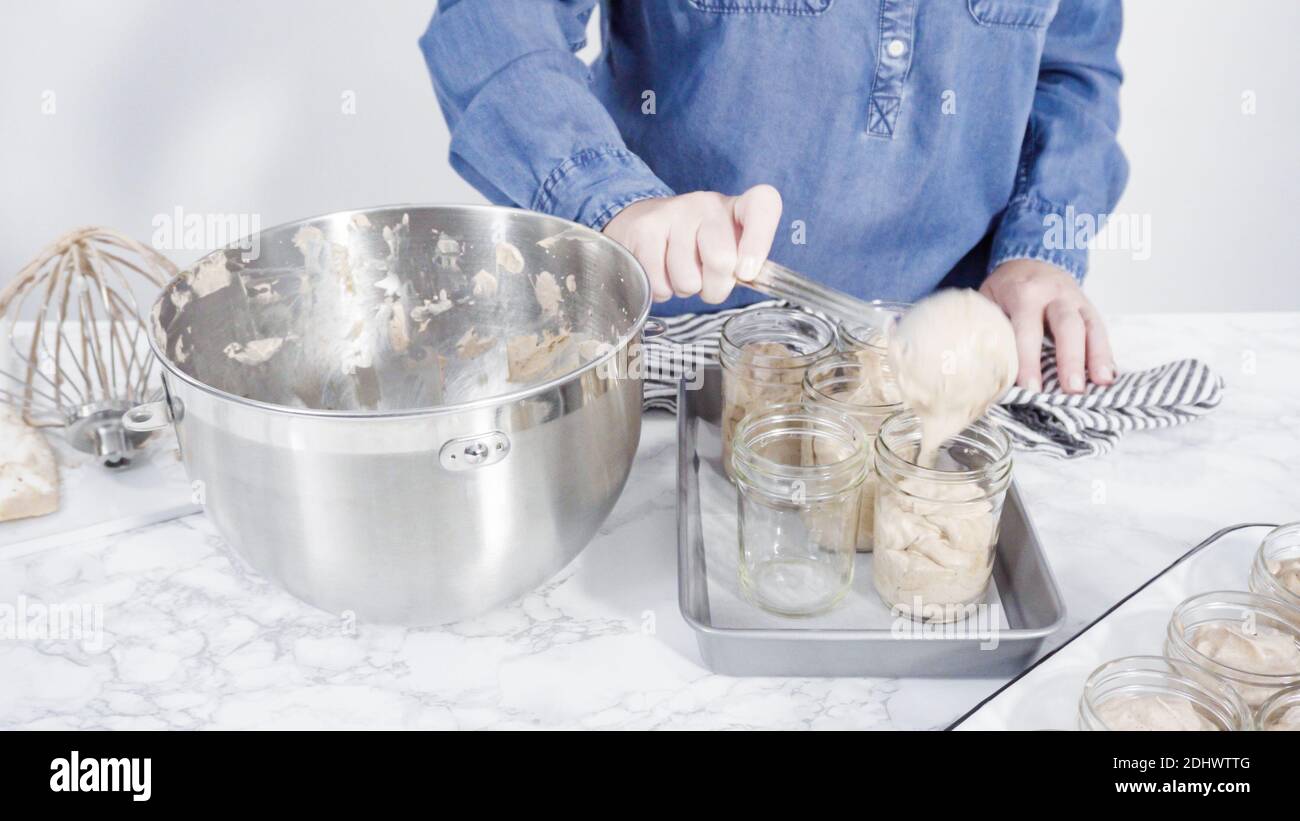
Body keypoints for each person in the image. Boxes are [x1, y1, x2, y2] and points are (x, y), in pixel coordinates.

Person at [419, 0, 1127, 393]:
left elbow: (1073, 70)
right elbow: (489, 21)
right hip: (658, 372)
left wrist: (1039, 246)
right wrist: (613, 200)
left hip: (946, 382)